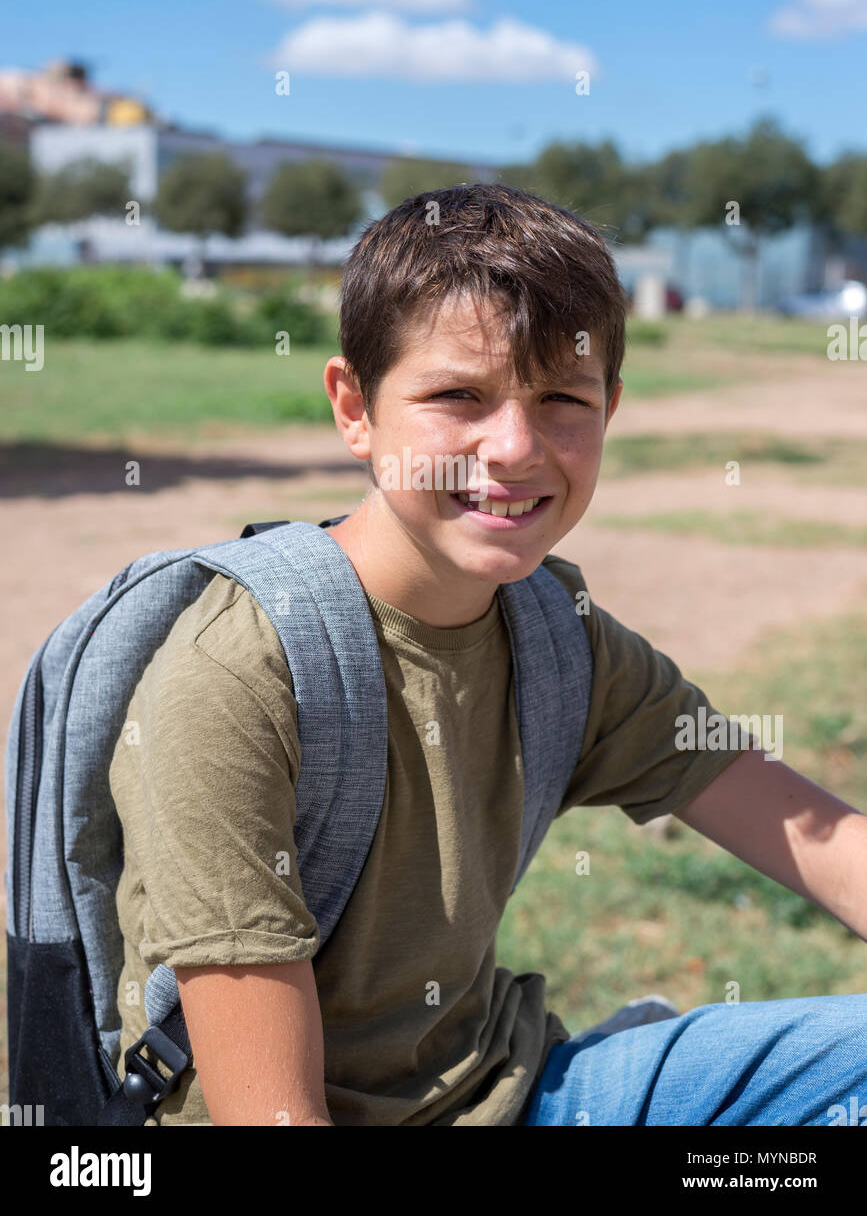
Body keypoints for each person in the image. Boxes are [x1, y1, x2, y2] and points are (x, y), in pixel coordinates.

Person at [109, 183, 867, 1126]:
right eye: (456, 395)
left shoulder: (556, 632)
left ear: (610, 407)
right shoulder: (235, 677)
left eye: (561, 399)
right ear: (355, 407)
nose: (513, 447)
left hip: (525, 1097)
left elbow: (825, 840)